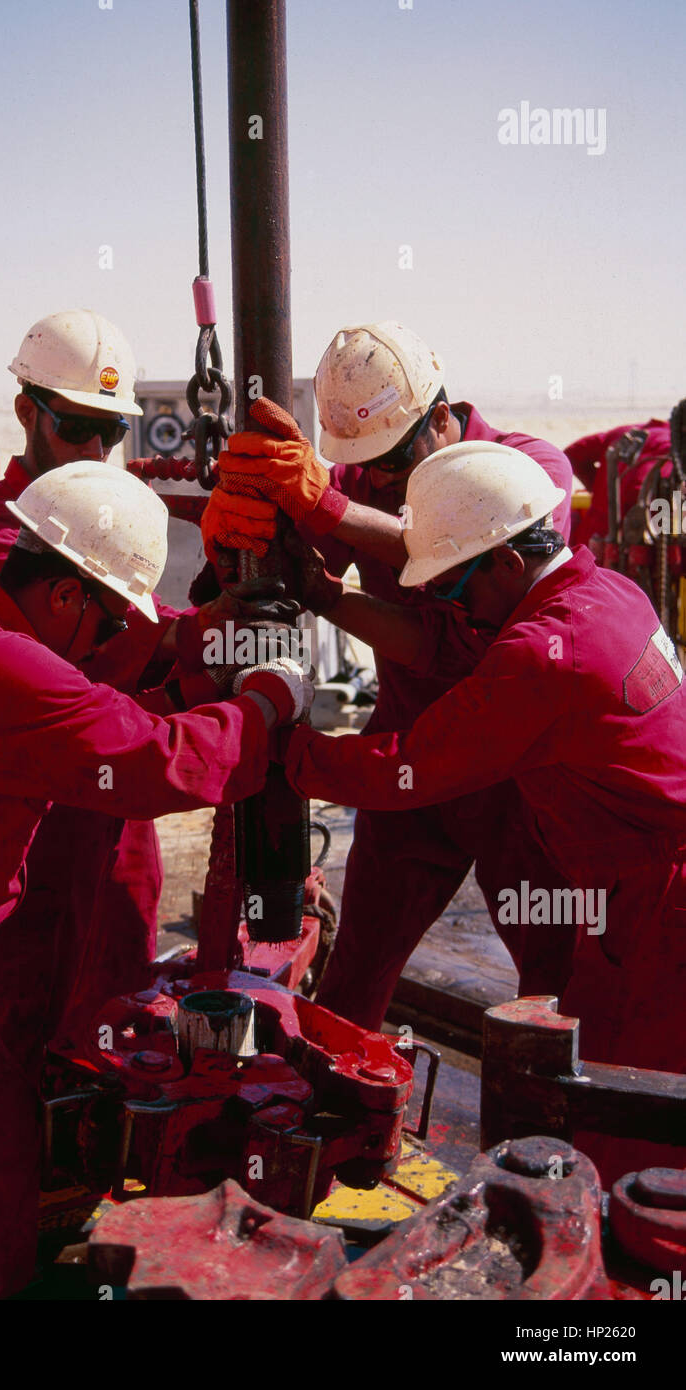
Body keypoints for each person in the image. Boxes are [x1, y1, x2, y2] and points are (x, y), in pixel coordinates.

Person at [0, 461, 311, 1298]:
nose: (104, 646)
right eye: (107, 621)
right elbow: (158, 761)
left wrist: (202, 653)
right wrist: (265, 704)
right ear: (62, 596)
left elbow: (102, 719)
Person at [202, 322, 577, 1030]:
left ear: (440, 418)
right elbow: (273, 568)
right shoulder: (359, 479)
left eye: (395, 459)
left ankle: (542, 1141)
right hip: (409, 776)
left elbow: (458, 537)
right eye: (365, 465)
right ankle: (344, 1123)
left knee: (553, 1001)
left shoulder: (530, 473)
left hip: (515, 787)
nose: (381, 479)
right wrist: (248, 517)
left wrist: (332, 509)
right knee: (353, 988)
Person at [281, 442, 686, 1092]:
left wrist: (282, 751)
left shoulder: (548, 656)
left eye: (448, 586)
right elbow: (451, 643)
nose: (448, 606)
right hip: (635, 887)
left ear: (504, 559)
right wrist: (323, 594)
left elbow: (407, 765)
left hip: (657, 914)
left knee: (622, 1118)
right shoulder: (602, 591)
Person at [0, 309, 282, 1057]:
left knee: (117, 990)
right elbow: (118, 638)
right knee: (19, 1002)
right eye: (76, 427)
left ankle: (100, 1144)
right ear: (27, 412)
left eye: (110, 431)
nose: (95, 449)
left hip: (114, 805)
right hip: (33, 821)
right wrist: (204, 635)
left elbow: (141, 623)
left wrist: (221, 605)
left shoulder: (92, 513)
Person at [565, 417, 673, 548]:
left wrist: (600, 488)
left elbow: (573, 454)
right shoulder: (674, 449)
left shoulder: (624, 433)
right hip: (645, 545)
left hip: (591, 541)